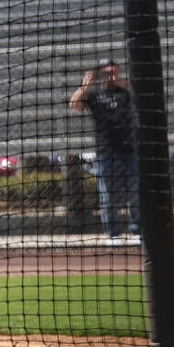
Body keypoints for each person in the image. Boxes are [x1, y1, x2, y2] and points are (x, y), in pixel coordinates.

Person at [69, 59, 139, 244]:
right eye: (106, 72)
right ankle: (114, 234)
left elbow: (139, 94)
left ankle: (136, 231)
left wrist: (118, 80)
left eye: (113, 72)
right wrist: (87, 84)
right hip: (106, 151)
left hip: (130, 148)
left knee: (134, 192)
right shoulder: (94, 93)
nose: (110, 76)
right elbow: (75, 104)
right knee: (108, 195)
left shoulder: (124, 90)